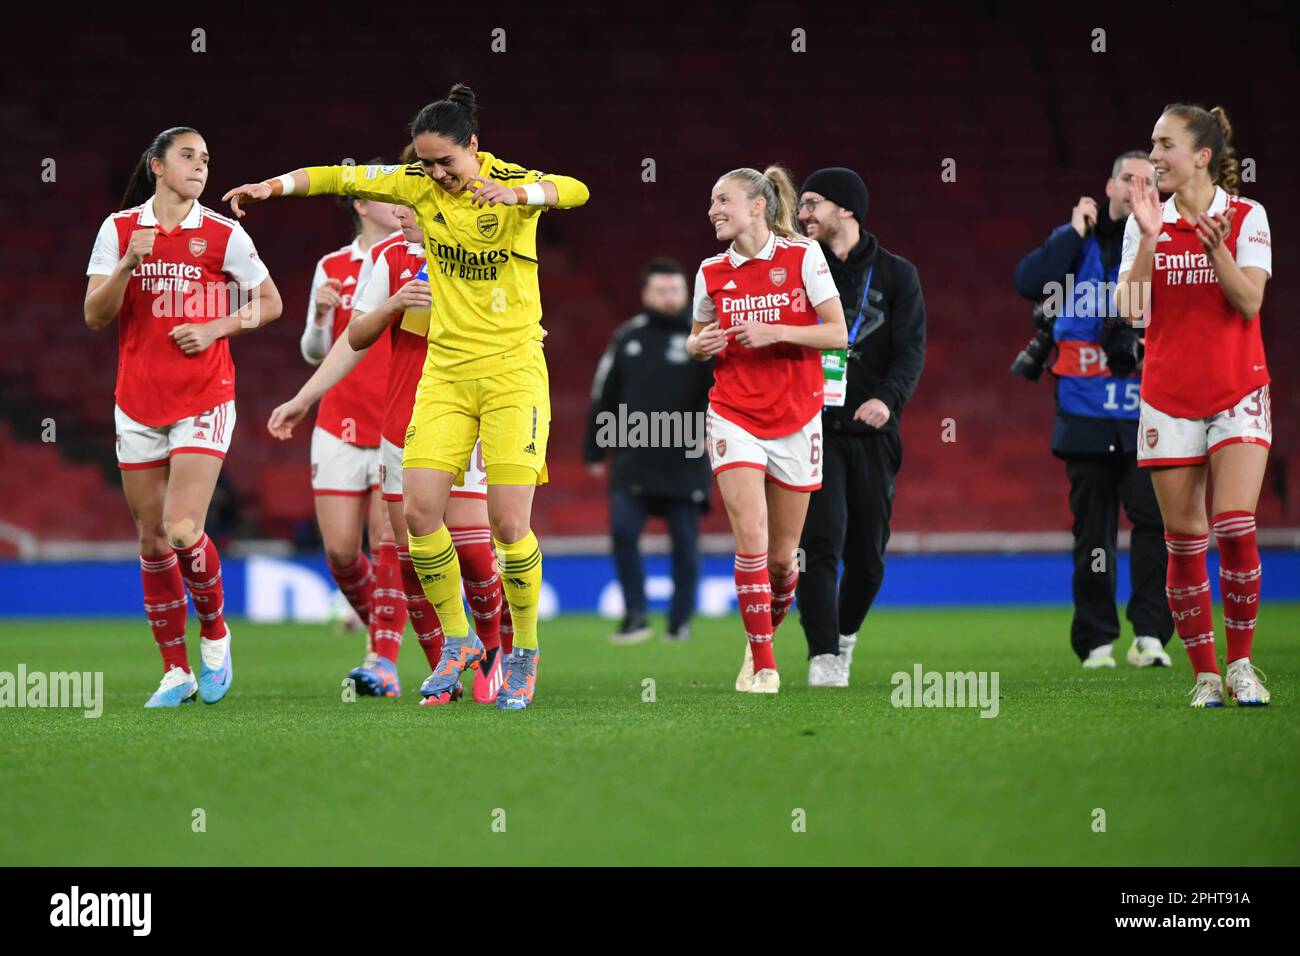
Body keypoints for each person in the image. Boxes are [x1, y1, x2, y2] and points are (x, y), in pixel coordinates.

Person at [224, 83, 588, 710]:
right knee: (417, 517)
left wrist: (520, 194)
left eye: (447, 161)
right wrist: (270, 188)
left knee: (507, 524)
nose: (436, 174)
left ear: (474, 146)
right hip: (445, 373)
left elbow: (575, 189)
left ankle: (524, 651)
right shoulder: (415, 188)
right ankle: (458, 642)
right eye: (425, 164)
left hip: (512, 372)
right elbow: (335, 177)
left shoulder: (512, 184)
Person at [269, 199, 512, 702]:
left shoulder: (481, 252)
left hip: (460, 413)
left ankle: (493, 651)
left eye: (410, 205)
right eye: (395, 202)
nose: (400, 213)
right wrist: (306, 394)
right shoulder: (381, 260)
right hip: (390, 422)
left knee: (467, 547)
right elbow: (347, 340)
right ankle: (437, 668)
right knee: (400, 556)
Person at [84, 126, 283, 707]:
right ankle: (175, 670)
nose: (200, 168)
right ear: (157, 166)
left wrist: (218, 327)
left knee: (181, 529)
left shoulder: (225, 235)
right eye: (188, 157)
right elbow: (95, 316)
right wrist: (126, 264)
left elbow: (270, 302)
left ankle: (216, 634)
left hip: (205, 395)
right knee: (150, 542)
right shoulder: (119, 231)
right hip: (138, 402)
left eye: (205, 160)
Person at [1117, 103, 1273, 708]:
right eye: (1153, 145)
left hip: (1237, 388)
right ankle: (1205, 675)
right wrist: (1150, 240)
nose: (1152, 157)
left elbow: (1249, 303)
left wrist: (1217, 253)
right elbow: (1130, 312)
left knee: (1234, 525)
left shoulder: (1246, 215)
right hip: (1169, 396)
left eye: (1164, 145)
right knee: (1184, 540)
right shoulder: (1145, 221)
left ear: (1201, 156)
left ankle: (1242, 666)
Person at [687, 166, 846, 695]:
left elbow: (837, 334)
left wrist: (774, 330)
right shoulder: (710, 271)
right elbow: (695, 338)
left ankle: (759, 641)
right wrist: (699, 346)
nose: (713, 210)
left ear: (757, 206)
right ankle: (765, 664)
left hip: (798, 416)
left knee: (782, 561)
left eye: (722, 200)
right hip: (733, 412)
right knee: (750, 539)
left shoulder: (803, 256)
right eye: (711, 202)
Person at [1014, 153, 1174, 671]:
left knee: (1153, 522)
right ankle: (1096, 641)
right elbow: (1028, 281)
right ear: (1107, 185)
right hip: (1083, 414)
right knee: (1093, 532)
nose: (1136, 187)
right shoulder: (1077, 242)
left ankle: (1151, 633)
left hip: (1146, 413)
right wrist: (1070, 231)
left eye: (1148, 180)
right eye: (1128, 178)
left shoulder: (1162, 240)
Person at [793, 167, 926, 687]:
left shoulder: (897, 275)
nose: (803, 215)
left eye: (812, 204)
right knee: (819, 545)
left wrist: (887, 401)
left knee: (868, 559)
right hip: (813, 430)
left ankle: (844, 636)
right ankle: (823, 654)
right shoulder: (799, 267)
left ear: (846, 209)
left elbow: (911, 351)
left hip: (873, 433)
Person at [300, 170, 405, 682]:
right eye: (389, 196)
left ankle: (382, 658)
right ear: (363, 204)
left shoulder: (414, 257)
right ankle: (379, 635)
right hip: (339, 418)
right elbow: (315, 352)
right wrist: (321, 319)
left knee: (388, 544)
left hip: (395, 416)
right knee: (342, 552)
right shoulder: (332, 266)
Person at [584, 258, 713, 644]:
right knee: (623, 533)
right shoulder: (627, 337)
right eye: (660, 290)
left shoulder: (702, 337)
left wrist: (713, 431)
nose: (668, 298)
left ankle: (679, 622)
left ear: (687, 293)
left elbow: (720, 389)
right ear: (645, 294)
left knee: (685, 541)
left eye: (675, 290)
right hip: (633, 456)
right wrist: (593, 449)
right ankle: (635, 616)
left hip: (686, 456)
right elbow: (602, 392)